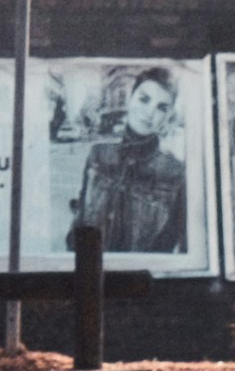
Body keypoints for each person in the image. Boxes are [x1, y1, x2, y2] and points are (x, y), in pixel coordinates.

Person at [70, 67, 189, 255]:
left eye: (162, 107)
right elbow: (82, 218)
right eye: (144, 99)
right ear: (130, 98)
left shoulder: (175, 173)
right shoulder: (98, 155)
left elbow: (173, 244)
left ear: (168, 115)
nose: (150, 113)